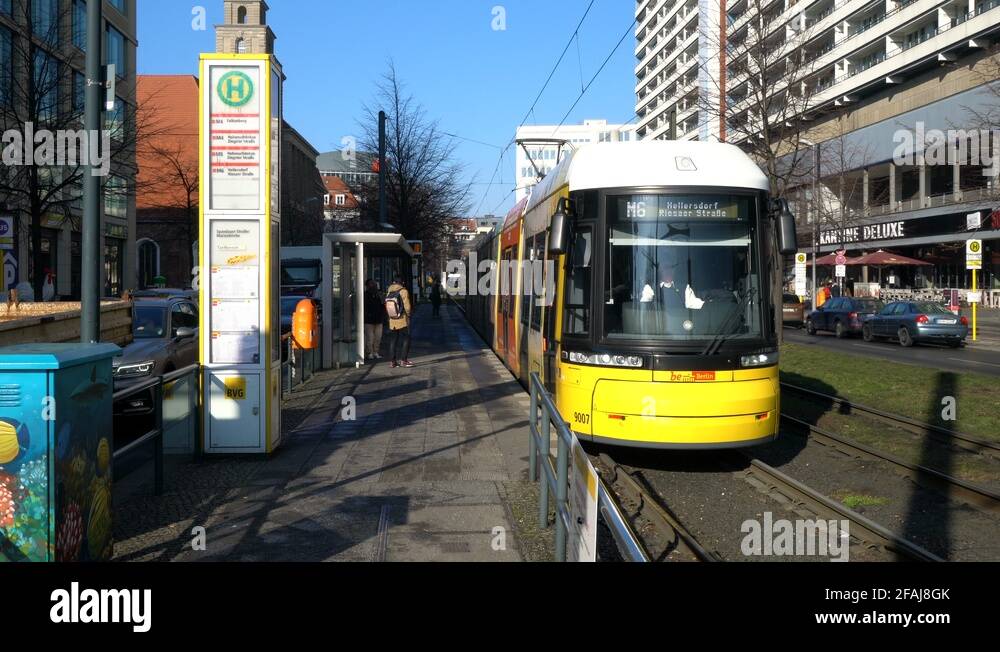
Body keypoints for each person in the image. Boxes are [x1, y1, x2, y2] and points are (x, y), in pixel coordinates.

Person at [385, 275, 413, 368]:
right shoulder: (403, 291)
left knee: (393, 340)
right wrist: (409, 314)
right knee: (406, 338)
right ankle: (403, 360)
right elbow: (407, 306)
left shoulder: (389, 290)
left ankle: (392, 362)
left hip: (392, 318)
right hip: (402, 319)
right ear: (402, 283)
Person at [363, 280, 386, 361]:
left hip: (377, 319)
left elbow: (383, 304)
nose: (373, 285)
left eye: (374, 284)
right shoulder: (365, 295)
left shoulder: (379, 294)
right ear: (367, 286)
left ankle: (375, 352)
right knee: (370, 338)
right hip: (369, 320)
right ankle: (370, 353)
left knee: (377, 337)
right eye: (371, 284)